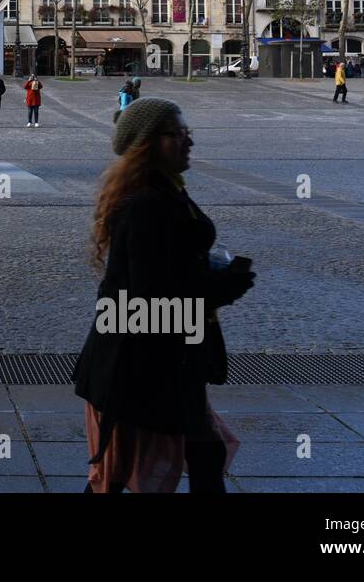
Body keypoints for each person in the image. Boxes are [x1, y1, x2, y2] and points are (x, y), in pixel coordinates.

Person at [74, 98, 256, 493]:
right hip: (141, 363)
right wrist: (220, 288)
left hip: (162, 357)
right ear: (148, 144)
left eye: (187, 132)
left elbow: (168, 266)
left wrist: (209, 273)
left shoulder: (165, 190)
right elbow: (150, 295)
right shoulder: (147, 204)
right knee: (122, 472)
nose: (188, 141)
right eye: (177, 134)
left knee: (193, 459)